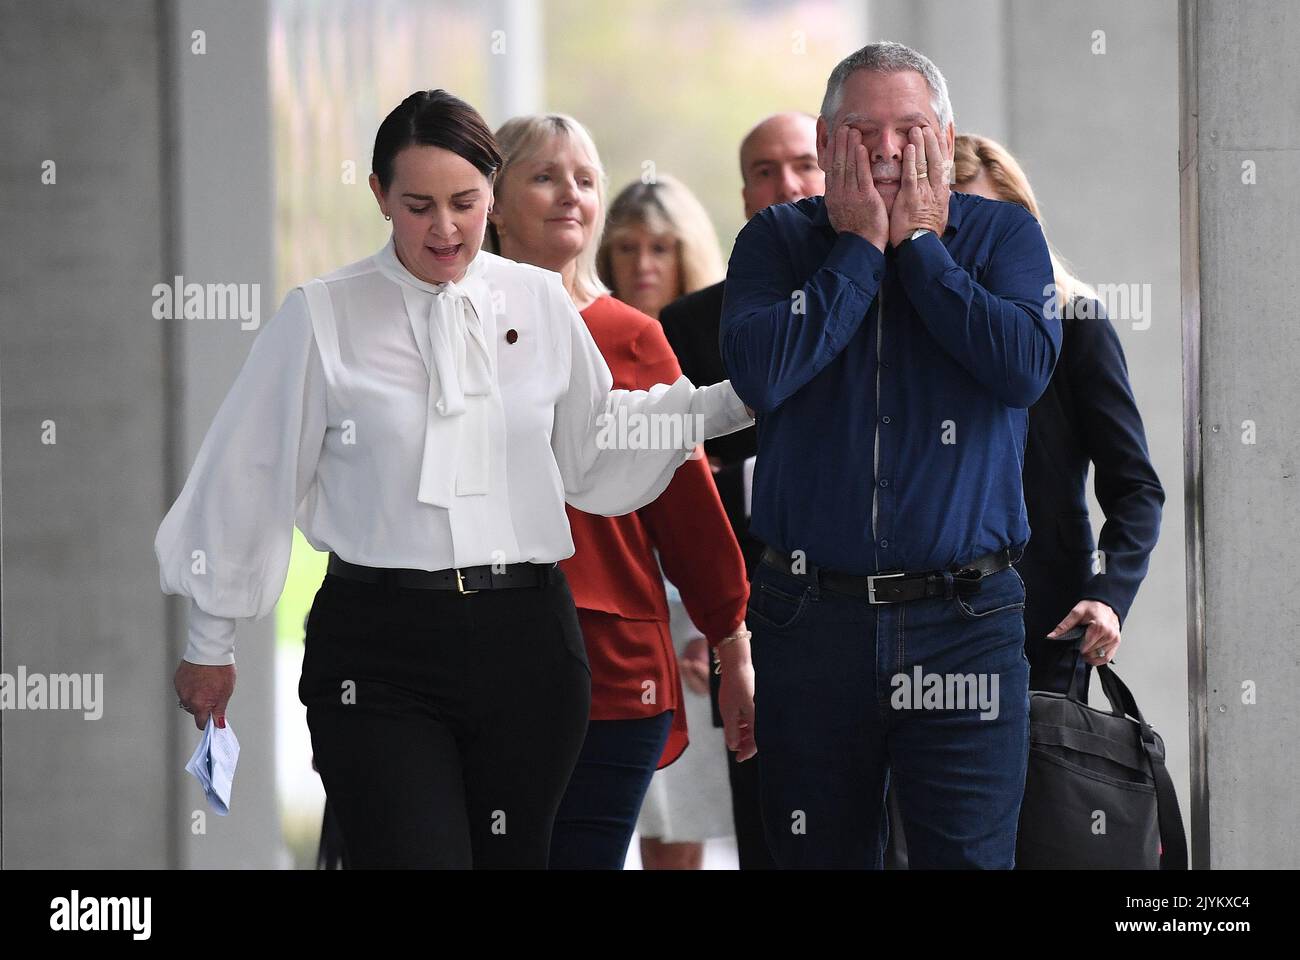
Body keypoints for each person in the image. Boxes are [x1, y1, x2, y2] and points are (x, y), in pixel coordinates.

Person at [158, 89, 753, 869]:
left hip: (530, 645)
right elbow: (247, 474)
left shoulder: (539, 301)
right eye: (418, 205)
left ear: (491, 194)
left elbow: (594, 447)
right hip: (378, 652)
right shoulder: (321, 316)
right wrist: (210, 638)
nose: (444, 229)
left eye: (465, 203)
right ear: (379, 196)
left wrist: (731, 400)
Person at [720, 42, 1059, 869]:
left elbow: (1024, 368)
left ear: (944, 136)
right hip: (809, 620)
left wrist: (922, 250)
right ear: (828, 140)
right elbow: (761, 375)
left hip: (964, 624)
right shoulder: (775, 240)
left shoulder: (1006, 234)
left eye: (910, 129)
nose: (887, 151)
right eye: (862, 131)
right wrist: (857, 253)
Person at [483, 112, 754, 870]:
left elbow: (688, 505)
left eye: (585, 179)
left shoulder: (634, 334)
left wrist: (732, 640)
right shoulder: (448, 326)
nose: (571, 194)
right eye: (544, 176)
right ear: (492, 201)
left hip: (617, 657)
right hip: (481, 647)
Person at [657, 110, 825, 870]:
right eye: (764, 169)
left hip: (881, 609)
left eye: (802, 163)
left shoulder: (889, 295)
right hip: (746, 614)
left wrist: (745, 470)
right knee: (764, 825)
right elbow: (686, 484)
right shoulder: (691, 324)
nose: (785, 183)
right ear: (743, 190)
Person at [950, 133, 1164, 693]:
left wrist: (1109, 593)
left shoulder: (1075, 321)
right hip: (924, 619)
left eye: (995, 221)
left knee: (1040, 781)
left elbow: (1135, 486)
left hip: (1044, 617)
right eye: (956, 225)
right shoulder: (899, 337)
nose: (977, 244)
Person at [593, 174, 746, 870]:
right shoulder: (588, 338)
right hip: (616, 586)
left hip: (708, 591)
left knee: (682, 798)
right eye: (626, 248)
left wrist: (722, 629)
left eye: (661, 246)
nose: (644, 265)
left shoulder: (713, 336)